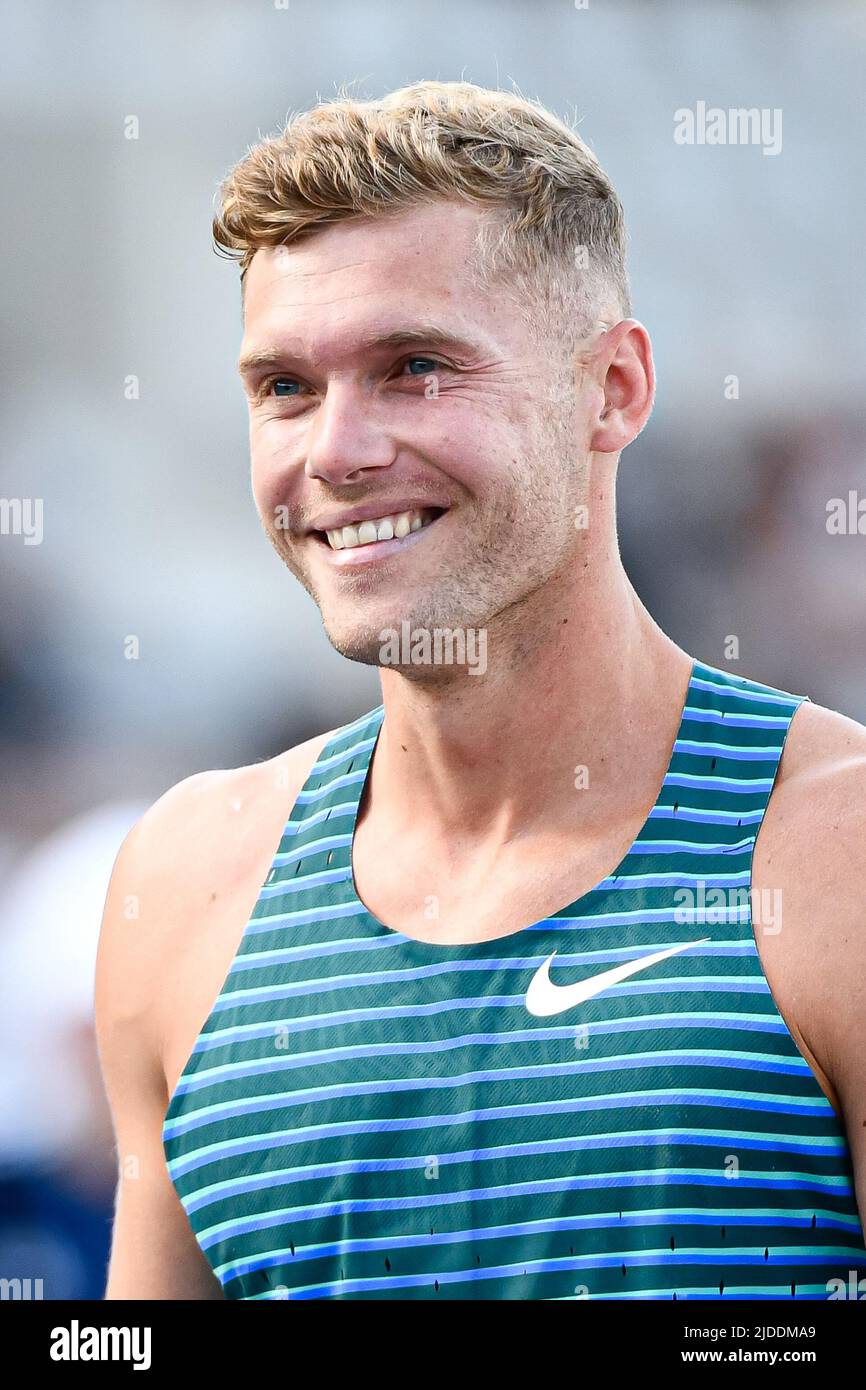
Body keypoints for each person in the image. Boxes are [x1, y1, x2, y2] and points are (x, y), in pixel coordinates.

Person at [95, 81, 866, 1301]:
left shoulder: (835, 852)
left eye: (413, 368)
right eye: (284, 387)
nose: (335, 451)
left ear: (612, 388)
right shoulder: (187, 883)